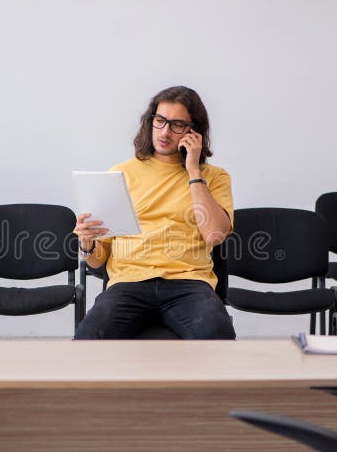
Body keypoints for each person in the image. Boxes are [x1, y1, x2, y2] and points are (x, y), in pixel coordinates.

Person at [74, 86, 235, 339]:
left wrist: (193, 171)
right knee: (89, 337)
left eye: (177, 124)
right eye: (160, 121)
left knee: (217, 335)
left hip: (189, 282)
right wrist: (87, 244)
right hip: (128, 283)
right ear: (150, 121)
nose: (165, 132)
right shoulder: (120, 174)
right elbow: (98, 260)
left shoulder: (215, 177)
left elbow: (214, 235)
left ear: (194, 130)